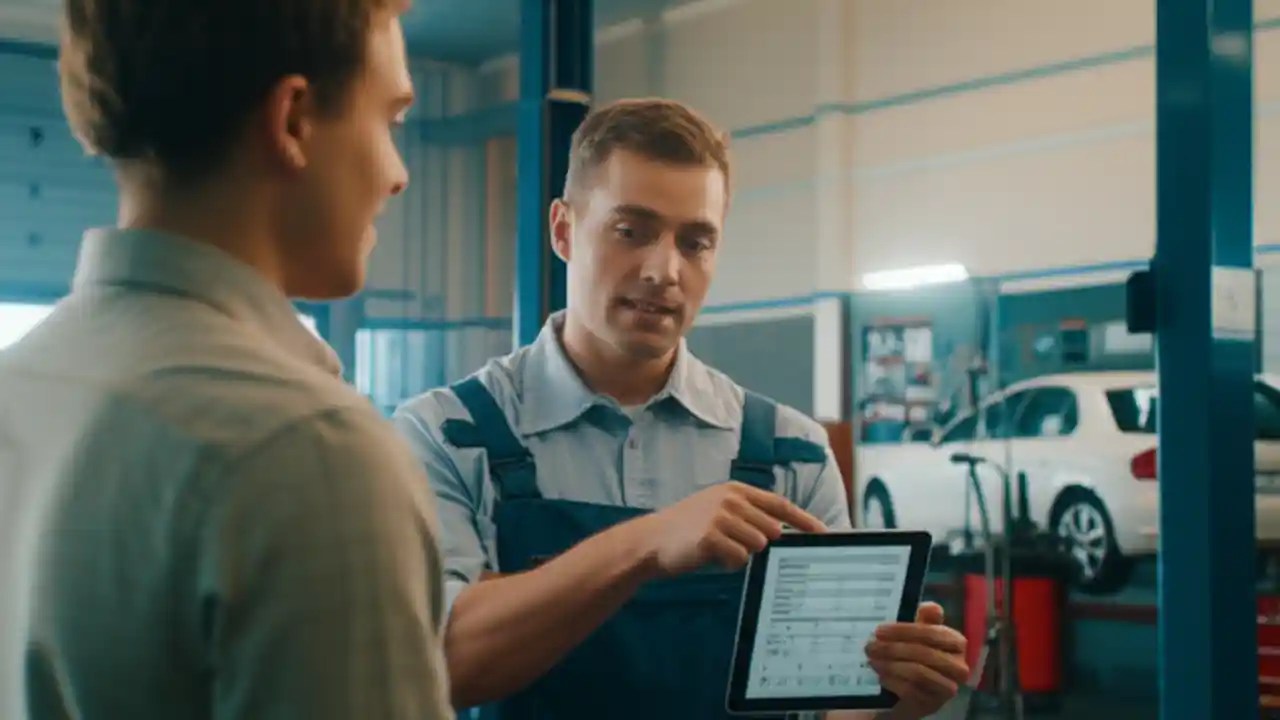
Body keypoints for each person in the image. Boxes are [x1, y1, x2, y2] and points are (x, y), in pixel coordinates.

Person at [394, 98, 969, 720]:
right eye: (630, 231)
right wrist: (649, 542)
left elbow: (823, 709)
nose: (664, 271)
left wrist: (889, 703)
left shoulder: (789, 454)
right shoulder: (447, 436)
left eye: (695, 242)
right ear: (563, 230)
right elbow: (434, 666)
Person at [0, 1, 454, 718]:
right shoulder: (308, 450)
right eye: (390, 121)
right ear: (294, 120)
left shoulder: (21, 383)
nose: (398, 174)